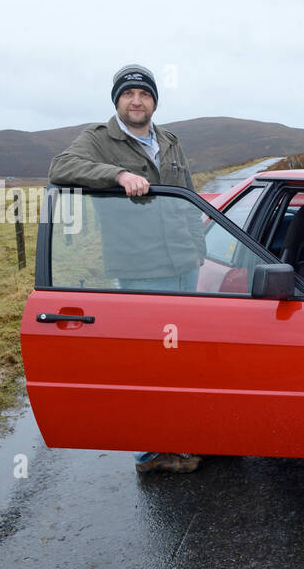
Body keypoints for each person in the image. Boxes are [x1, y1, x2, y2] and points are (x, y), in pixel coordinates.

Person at [49, 64, 205, 475]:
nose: (137, 101)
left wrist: (199, 245)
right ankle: (148, 453)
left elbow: (187, 192)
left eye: (145, 94)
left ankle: (179, 434)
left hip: (183, 263)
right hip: (140, 269)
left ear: (154, 101)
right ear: (117, 100)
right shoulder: (100, 140)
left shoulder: (169, 140)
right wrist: (117, 174)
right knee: (146, 362)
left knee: (178, 358)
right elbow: (60, 168)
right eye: (129, 94)